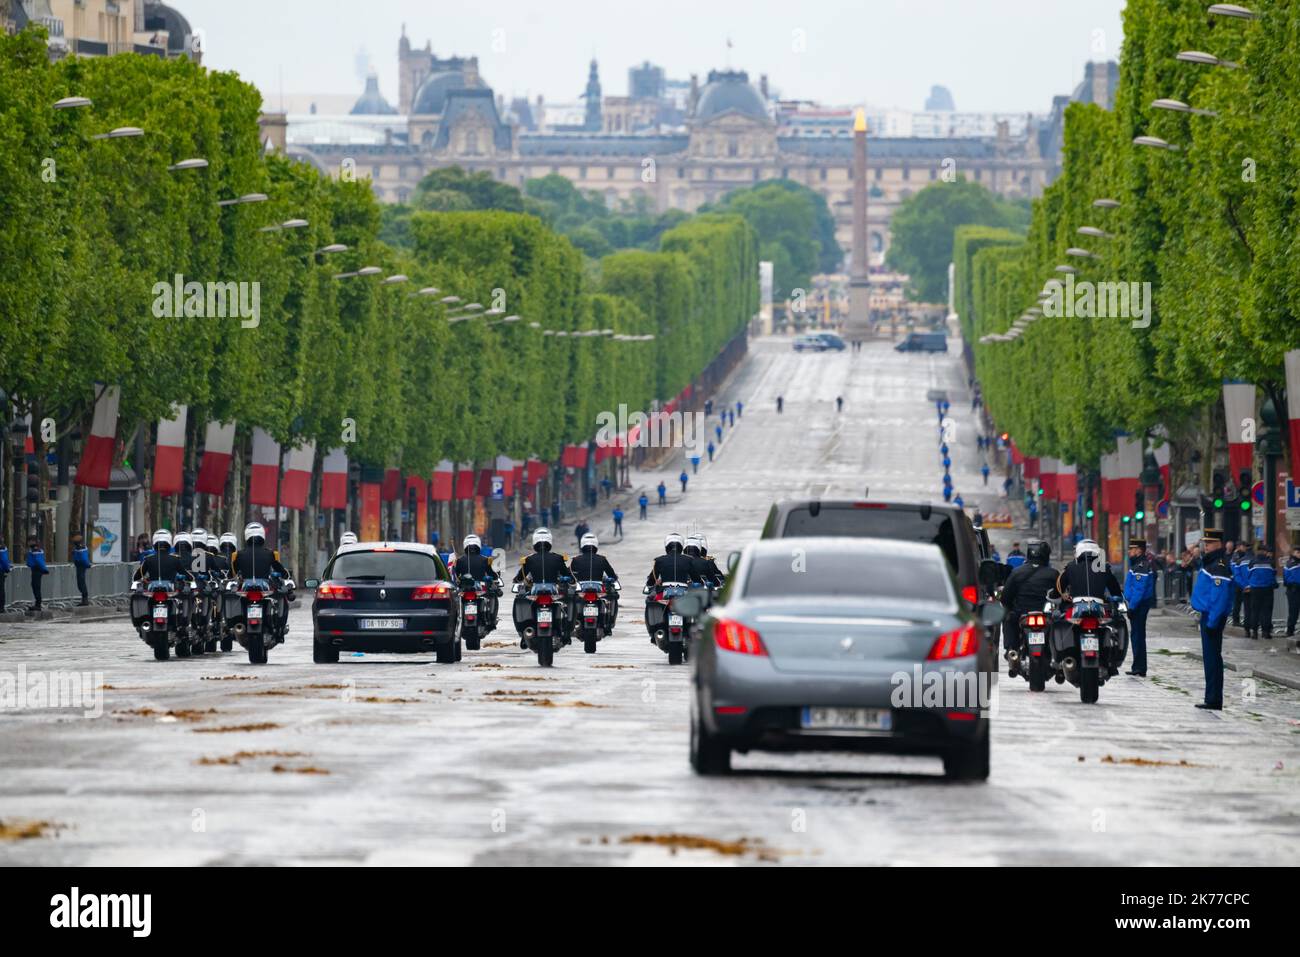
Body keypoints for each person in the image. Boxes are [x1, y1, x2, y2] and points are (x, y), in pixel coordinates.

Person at [1057, 538, 1125, 676]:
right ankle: (1111, 661)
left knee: (1061, 622)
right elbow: (1115, 590)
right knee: (1111, 626)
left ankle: (1063, 658)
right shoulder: (1104, 567)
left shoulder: (1070, 567)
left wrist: (1057, 596)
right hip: (1098, 608)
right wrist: (1117, 599)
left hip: (1077, 607)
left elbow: (1059, 588)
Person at [1190, 530, 1234, 711]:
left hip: (1212, 617)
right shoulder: (1212, 562)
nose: (1206, 545)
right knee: (1210, 659)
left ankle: (1214, 698)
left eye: (1209, 542)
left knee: (1212, 658)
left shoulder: (1219, 565)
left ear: (1219, 544)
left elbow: (1219, 597)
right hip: (1208, 615)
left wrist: (1212, 622)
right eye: (1205, 542)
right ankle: (1212, 696)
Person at [999, 539, 1057, 668]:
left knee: (1007, 618)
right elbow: (1060, 596)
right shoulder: (1053, 574)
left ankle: (1011, 650)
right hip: (1046, 614)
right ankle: (1057, 652)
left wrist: (1010, 607)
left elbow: (1005, 597)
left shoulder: (1017, 572)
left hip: (1021, 613)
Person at [513, 527, 572, 648]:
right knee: (564, 607)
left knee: (524, 604)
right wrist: (568, 580)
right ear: (550, 542)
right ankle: (565, 634)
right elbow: (568, 576)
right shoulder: (558, 558)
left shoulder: (529, 559)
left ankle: (525, 636)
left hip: (535, 590)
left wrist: (516, 580)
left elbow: (520, 577)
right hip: (552, 590)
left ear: (535, 543)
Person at [570, 532, 620, 629]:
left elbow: (570, 574)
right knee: (612, 596)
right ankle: (609, 623)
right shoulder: (602, 559)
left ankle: (571, 623)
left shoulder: (576, 560)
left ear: (582, 545)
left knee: (570, 598)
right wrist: (613, 578)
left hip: (581, 589)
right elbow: (611, 574)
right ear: (596, 545)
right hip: (598, 588)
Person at [451, 534, 502, 627]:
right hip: (479, 589)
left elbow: (455, 575)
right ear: (478, 545)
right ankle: (491, 619)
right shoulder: (485, 560)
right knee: (492, 595)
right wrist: (496, 578)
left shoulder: (459, 561)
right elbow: (492, 574)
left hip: (464, 589)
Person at [1123, 539, 1157, 676]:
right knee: (1137, 635)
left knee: (1137, 636)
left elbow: (1139, 589)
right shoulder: (1138, 564)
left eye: (1132, 549)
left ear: (1139, 550)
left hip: (1139, 606)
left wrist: (1132, 607)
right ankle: (1138, 666)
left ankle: (1139, 667)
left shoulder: (1141, 566)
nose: (1130, 552)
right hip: (1138, 604)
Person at [1246, 545, 1277, 639]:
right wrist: (1275, 584)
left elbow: (1249, 575)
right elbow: (1273, 576)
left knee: (1255, 611)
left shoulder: (1252, 562)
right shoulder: (1271, 563)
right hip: (1267, 589)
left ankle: (1254, 633)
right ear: (1265, 552)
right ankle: (1265, 632)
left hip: (1255, 589)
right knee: (1266, 611)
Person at [25, 537, 48, 615]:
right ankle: (37, 603)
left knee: (36, 586)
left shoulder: (35, 550)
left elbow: (38, 561)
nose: (28, 543)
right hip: (36, 569)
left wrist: (44, 569)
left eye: (29, 541)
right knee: (35, 585)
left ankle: (38, 604)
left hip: (36, 570)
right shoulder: (35, 550)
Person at [1229, 542, 1249, 628]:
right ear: (1239, 547)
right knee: (1237, 602)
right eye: (1243, 546)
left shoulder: (1240, 555)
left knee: (1241, 602)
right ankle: (1236, 620)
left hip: (1240, 581)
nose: (1245, 548)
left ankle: (1242, 620)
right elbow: (1234, 568)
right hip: (1237, 582)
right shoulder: (1236, 556)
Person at [71, 534, 91, 606]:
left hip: (81, 566)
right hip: (80, 566)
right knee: (80, 583)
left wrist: (79, 562)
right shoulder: (78, 548)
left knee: (81, 582)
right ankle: (84, 599)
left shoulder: (81, 548)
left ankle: (85, 599)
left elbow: (83, 558)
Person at [1284, 546, 1300, 637]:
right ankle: (1290, 631)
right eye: (1298, 552)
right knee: (1293, 612)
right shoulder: (1290, 563)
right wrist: (1294, 584)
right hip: (1293, 591)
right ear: (1294, 553)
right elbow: (1287, 578)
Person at [0, 538, 10, 612]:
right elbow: (4, 560)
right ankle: (1, 607)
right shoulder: (2, 549)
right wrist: (7, 569)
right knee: (1, 589)